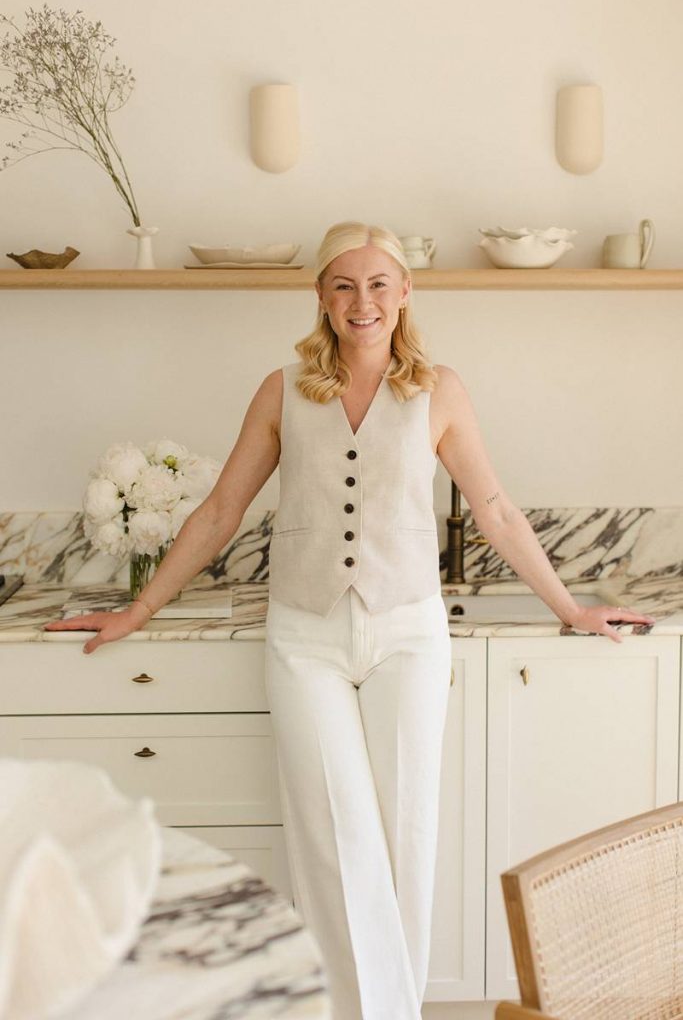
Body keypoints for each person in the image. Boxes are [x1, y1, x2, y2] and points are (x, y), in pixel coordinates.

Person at [44, 220, 656, 1020]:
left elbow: (495, 509)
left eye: (376, 284)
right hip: (305, 638)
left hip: (406, 632)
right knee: (335, 841)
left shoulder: (439, 390)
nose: (360, 300)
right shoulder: (281, 390)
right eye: (343, 284)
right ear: (322, 299)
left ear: (403, 294)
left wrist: (570, 607)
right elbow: (223, 508)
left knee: (404, 836)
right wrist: (141, 606)